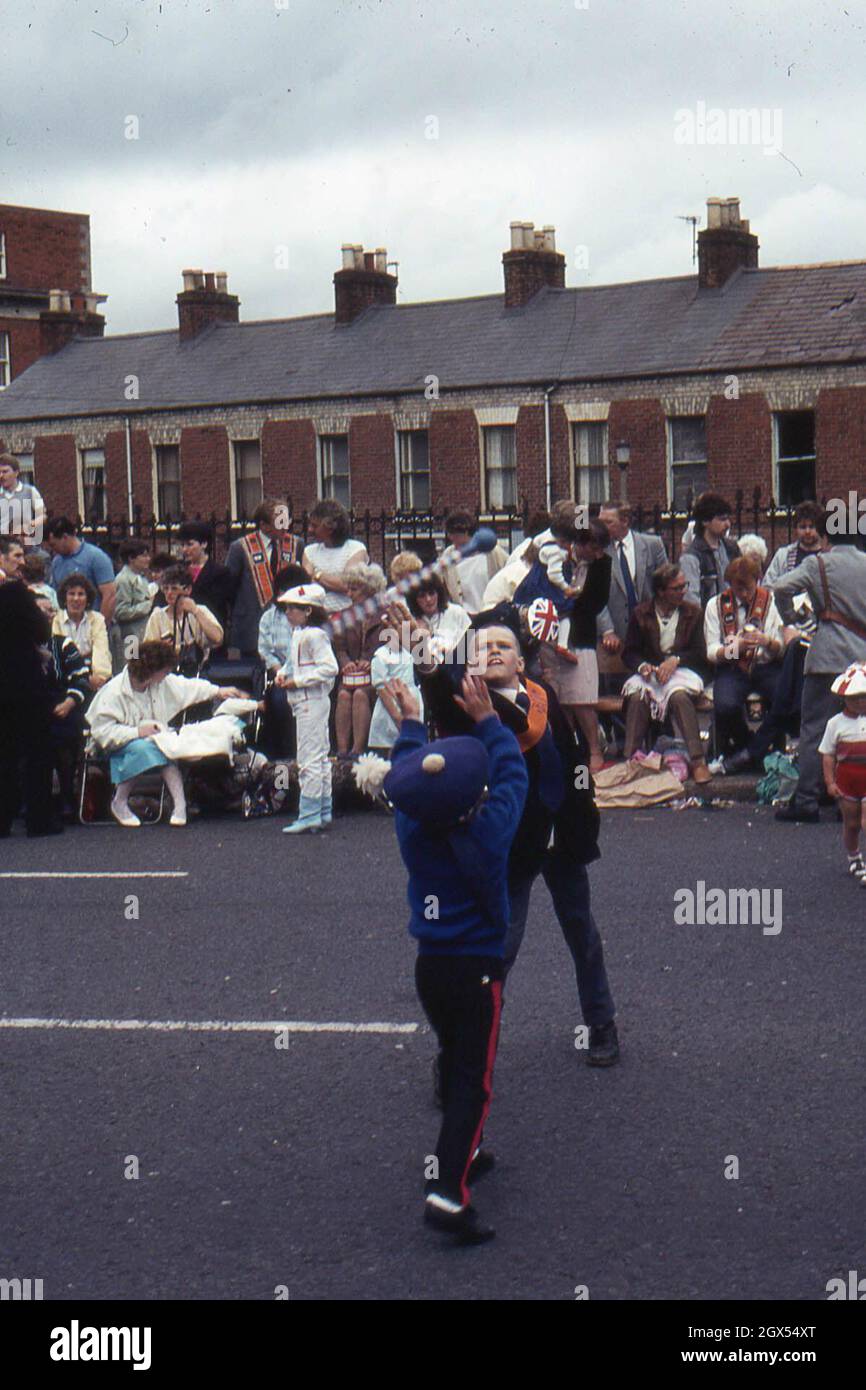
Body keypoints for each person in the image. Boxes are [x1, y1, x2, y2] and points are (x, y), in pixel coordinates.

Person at [419, 611, 619, 1068]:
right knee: (498, 953)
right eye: (483, 645)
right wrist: (426, 662)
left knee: (582, 934)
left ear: (521, 662)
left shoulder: (544, 696)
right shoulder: (467, 702)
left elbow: (573, 765)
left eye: (504, 646)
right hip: (509, 845)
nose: (493, 651)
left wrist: (584, 816)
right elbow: (435, 693)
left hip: (561, 837)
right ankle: (461, 1054)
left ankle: (601, 1022)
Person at [379, 674, 528, 1244]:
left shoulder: (413, 829)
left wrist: (410, 726)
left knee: (456, 1055)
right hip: (478, 969)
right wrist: (490, 721)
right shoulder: (489, 831)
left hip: (431, 967)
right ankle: (447, 1192)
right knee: (475, 1081)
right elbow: (513, 775)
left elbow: (408, 777)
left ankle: (471, 1150)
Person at [86, 639, 247, 827]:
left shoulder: (160, 683)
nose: (167, 675)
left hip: (151, 741)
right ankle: (119, 801)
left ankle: (180, 806)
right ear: (151, 672)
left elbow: (189, 687)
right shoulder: (113, 692)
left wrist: (219, 691)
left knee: (164, 745)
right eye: (164, 671)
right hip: (111, 747)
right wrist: (137, 732)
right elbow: (102, 733)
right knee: (151, 746)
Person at [773, 528, 866, 822]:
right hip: (862, 658)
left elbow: (780, 587)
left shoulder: (818, 564)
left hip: (826, 657)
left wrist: (794, 617)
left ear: (826, 538)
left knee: (815, 729)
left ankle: (807, 801)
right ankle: (855, 799)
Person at [518, 517, 611, 773]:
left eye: (601, 548)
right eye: (593, 547)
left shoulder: (601, 564)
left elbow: (597, 602)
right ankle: (567, 753)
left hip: (580, 636)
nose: (598, 553)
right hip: (551, 635)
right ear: (579, 543)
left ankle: (593, 749)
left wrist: (569, 604)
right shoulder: (556, 556)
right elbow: (536, 586)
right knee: (559, 702)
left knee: (582, 699)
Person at [620, 563, 712, 782]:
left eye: (684, 586)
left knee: (679, 697)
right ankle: (629, 760)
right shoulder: (641, 613)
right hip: (652, 673)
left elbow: (701, 653)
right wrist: (643, 666)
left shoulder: (693, 613)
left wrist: (676, 660)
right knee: (637, 697)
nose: (683, 591)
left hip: (683, 672)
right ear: (661, 591)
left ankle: (698, 761)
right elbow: (629, 652)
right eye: (677, 588)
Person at [704, 555, 785, 760]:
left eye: (748, 588)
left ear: (758, 580)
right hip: (733, 668)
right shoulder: (716, 605)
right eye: (738, 589)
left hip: (765, 666)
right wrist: (734, 649)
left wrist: (766, 641)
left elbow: (781, 647)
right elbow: (712, 651)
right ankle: (750, 747)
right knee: (725, 706)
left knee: (785, 699)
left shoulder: (771, 602)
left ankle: (757, 751)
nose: (745, 594)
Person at [274, 582, 339, 834]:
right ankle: (322, 810)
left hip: (311, 701)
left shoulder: (314, 635)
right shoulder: (299, 634)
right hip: (305, 702)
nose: (288, 612)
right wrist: (283, 674)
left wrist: (297, 681)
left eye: (294, 608)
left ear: (309, 611)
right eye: (288, 608)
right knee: (319, 757)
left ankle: (310, 813)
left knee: (309, 758)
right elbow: (293, 662)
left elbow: (329, 668)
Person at [0, 584, 63, 837]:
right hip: (29, 690)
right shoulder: (28, 614)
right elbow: (42, 633)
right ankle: (39, 820)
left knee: (4, 759)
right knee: (38, 757)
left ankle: (2, 820)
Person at [226, 499, 305, 655]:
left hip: (287, 625)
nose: (286, 526)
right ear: (264, 525)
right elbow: (229, 587)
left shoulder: (297, 544)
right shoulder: (240, 548)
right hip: (252, 627)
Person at [332, 563, 387, 759]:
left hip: (377, 676)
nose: (349, 593)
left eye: (353, 589)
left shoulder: (386, 614)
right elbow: (339, 647)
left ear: (369, 590)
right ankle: (342, 751)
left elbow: (390, 644)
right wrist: (345, 661)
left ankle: (358, 750)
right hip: (351, 675)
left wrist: (370, 661)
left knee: (361, 696)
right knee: (345, 695)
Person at [597, 502, 669, 651]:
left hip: (651, 631)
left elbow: (666, 585)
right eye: (600, 522)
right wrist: (607, 631)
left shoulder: (653, 545)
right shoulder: (597, 550)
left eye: (608, 522)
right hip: (616, 637)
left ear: (625, 521)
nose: (602, 528)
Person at [819, 662, 866, 884]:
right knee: (852, 823)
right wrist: (830, 782)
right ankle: (854, 856)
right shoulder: (835, 724)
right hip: (848, 782)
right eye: (856, 697)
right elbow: (827, 755)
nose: (861, 701)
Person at [257, 563, 308, 758]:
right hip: (281, 677)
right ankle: (283, 762)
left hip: (307, 677)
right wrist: (281, 673)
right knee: (279, 702)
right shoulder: (269, 617)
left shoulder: (311, 618)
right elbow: (265, 651)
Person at [143, 563, 223, 670]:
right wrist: (160, 648)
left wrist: (196, 612)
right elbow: (147, 652)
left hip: (196, 671)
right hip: (166, 672)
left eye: (174, 589)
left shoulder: (200, 610)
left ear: (188, 590)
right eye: (166, 589)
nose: (169, 593)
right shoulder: (157, 615)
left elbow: (218, 638)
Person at [302, 499, 368, 615]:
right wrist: (334, 582)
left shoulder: (356, 549)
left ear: (330, 528)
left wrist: (317, 574)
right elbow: (306, 586)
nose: (310, 530)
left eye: (314, 526)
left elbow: (347, 584)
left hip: (348, 619)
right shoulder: (309, 551)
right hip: (317, 619)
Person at [44, 517, 117, 622]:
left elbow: (109, 595)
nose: (52, 549)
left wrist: (100, 627)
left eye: (53, 544)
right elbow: (57, 596)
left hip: (92, 625)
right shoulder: (56, 562)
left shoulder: (96, 557)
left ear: (65, 537)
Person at [440, 509, 509, 616]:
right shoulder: (448, 555)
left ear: (466, 532)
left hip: (491, 616)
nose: (451, 538)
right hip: (466, 619)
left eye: (454, 534)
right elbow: (441, 588)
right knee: (471, 633)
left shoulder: (492, 552)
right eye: (449, 533)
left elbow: (509, 574)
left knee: (487, 633)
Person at [52, 573, 112, 692]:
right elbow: (59, 654)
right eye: (71, 594)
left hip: (95, 672)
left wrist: (100, 676)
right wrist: (84, 677)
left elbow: (101, 649)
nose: (76, 599)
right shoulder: (56, 620)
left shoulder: (97, 619)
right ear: (65, 598)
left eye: (81, 594)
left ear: (87, 599)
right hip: (68, 674)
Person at [679, 493, 740, 608]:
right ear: (705, 521)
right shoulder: (691, 557)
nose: (728, 524)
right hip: (707, 620)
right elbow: (691, 601)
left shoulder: (732, 549)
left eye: (728, 519)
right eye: (722, 519)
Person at [178, 521, 233, 634]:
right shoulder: (178, 571)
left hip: (208, 632)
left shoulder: (219, 573)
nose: (184, 549)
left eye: (189, 544)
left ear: (204, 544)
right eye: (182, 545)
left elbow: (217, 605)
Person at [406, 573, 470, 664]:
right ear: (414, 600)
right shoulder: (411, 621)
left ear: (438, 593)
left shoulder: (457, 612)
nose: (428, 599)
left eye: (431, 593)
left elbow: (472, 643)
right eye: (422, 596)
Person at [764, 502, 830, 587]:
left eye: (812, 526)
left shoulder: (828, 555)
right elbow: (768, 585)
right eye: (803, 527)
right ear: (795, 529)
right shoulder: (783, 556)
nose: (807, 531)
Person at [113, 539, 155, 662]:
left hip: (141, 634)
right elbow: (121, 612)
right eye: (144, 555)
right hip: (130, 636)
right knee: (132, 668)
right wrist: (149, 605)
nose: (148, 559)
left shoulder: (141, 577)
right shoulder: (123, 580)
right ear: (131, 558)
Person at [0, 454, 45, 548]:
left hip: (27, 545)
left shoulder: (30, 491)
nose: (1, 476)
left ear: (16, 472)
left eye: (5, 472)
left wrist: (27, 526)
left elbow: (42, 516)